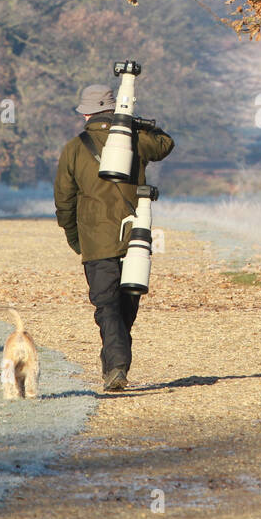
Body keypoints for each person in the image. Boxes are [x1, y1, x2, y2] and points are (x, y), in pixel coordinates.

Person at [54, 83, 174, 391]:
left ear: (87, 113)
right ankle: (115, 366)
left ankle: (116, 367)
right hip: (136, 236)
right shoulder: (136, 140)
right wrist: (136, 123)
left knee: (106, 306)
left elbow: (63, 201)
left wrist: (75, 237)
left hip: (96, 241)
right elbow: (165, 144)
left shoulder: (74, 148)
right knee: (125, 306)